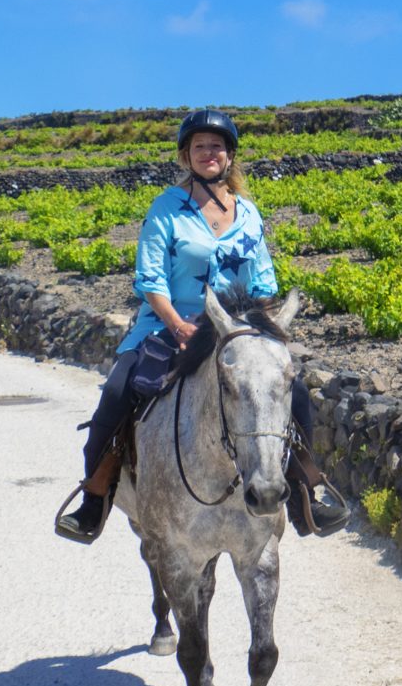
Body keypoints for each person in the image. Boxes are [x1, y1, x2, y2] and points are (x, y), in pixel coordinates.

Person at [55, 109, 342, 542]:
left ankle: (305, 492)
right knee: (117, 392)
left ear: (230, 156)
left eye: (217, 146)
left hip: (234, 330)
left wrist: (256, 331)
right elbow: (150, 278)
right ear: (186, 155)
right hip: (169, 325)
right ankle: (95, 497)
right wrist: (176, 323)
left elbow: (263, 281)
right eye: (200, 146)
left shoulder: (247, 212)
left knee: (294, 391)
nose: (209, 153)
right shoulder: (166, 208)